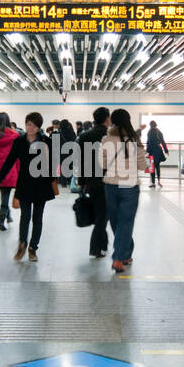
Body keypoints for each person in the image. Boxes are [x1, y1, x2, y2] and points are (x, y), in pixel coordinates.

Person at [0, 112, 57, 262]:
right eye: (27, 124)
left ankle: (33, 248)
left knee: (37, 218)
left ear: (38, 127)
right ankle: (22, 244)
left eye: (32, 125)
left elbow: (52, 163)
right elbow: (9, 161)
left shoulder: (47, 141)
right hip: (25, 184)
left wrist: (51, 179)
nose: (29, 127)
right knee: (25, 216)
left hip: (41, 184)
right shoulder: (19, 141)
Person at [99, 109, 147, 274]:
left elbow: (102, 164)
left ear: (112, 121)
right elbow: (142, 165)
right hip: (129, 187)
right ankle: (120, 257)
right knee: (125, 222)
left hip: (110, 186)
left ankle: (122, 255)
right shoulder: (135, 140)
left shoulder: (106, 140)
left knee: (116, 222)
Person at [77, 106, 111, 258]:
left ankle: (102, 245)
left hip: (91, 180)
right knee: (102, 216)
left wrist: (81, 181)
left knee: (101, 213)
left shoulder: (85, 136)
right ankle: (95, 248)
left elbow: (81, 161)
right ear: (106, 119)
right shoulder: (110, 136)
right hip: (109, 180)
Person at [145, 118, 169, 188]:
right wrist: (166, 150)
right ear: (156, 125)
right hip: (158, 151)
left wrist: (147, 151)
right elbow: (163, 142)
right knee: (157, 166)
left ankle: (153, 182)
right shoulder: (159, 132)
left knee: (152, 167)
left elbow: (148, 143)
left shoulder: (149, 132)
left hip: (152, 151)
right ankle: (158, 181)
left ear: (150, 125)